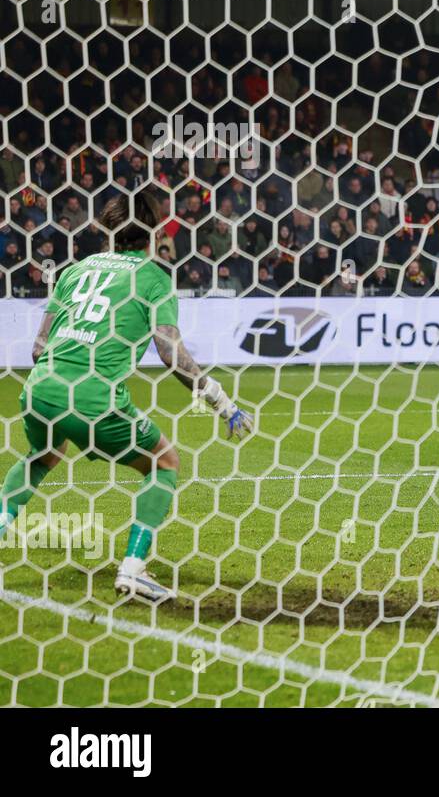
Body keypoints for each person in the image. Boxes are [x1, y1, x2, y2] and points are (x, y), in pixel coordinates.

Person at [0, 193, 253, 603]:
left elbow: (38, 347)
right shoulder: (152, 278)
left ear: (106, 230)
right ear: (153, 234)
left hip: (40, 388)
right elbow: (170, 354)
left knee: (42, 455)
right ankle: (133, 569)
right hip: (93, 397)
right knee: (165, 461)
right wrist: (222, 402)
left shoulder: (75, 270)